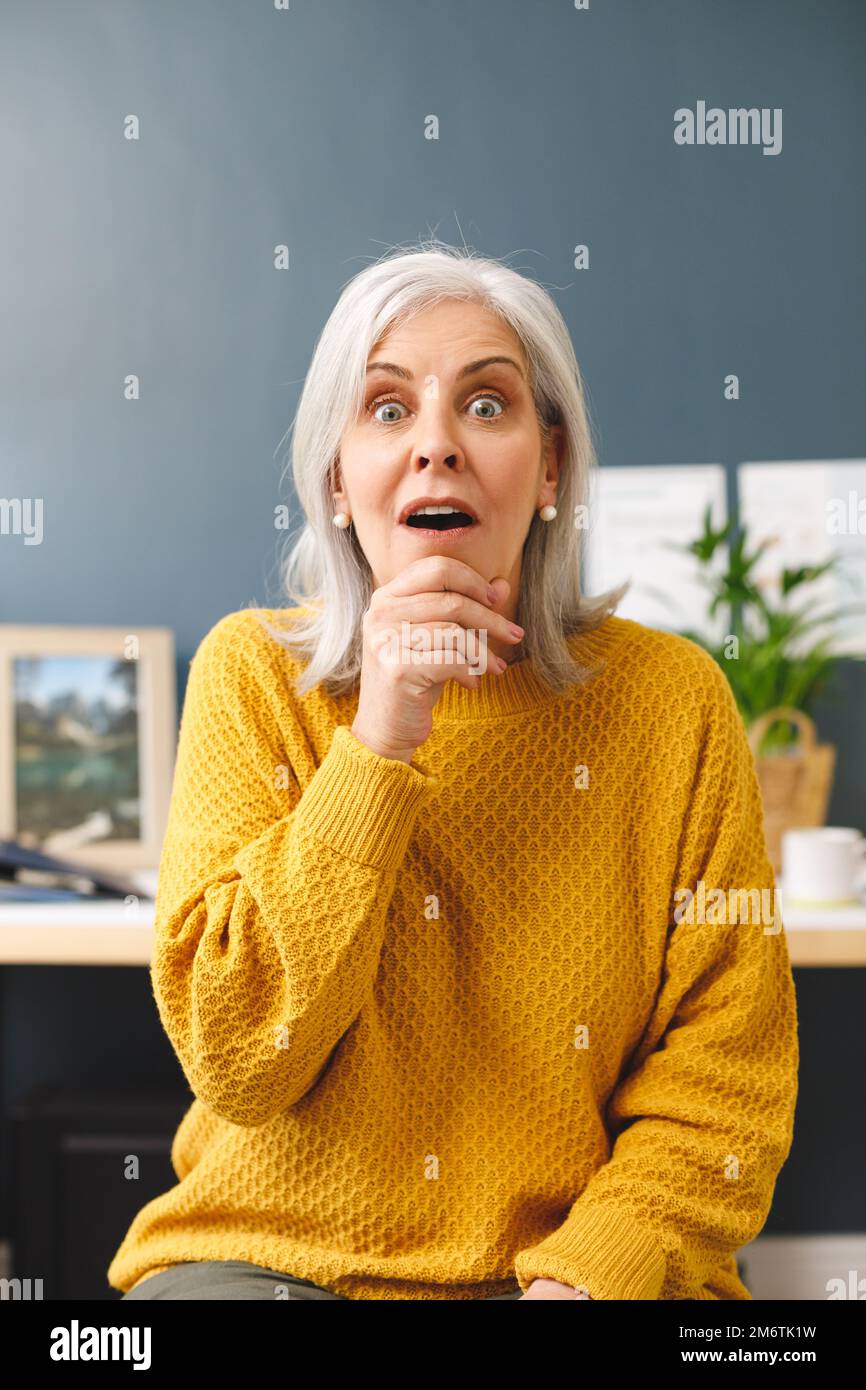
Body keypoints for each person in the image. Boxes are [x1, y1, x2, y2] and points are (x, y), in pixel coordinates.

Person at [109, 241, 798, 1301]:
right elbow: (238, 1057)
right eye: (386, 409)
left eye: (485, 404)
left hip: (567, 1272)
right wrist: (378, 739)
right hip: (275, 1265)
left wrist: (589, 1273)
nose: (435, 444)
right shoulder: (250, 674)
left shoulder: (673, 703)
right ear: (337, 479)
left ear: (551, 466)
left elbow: (726, 1081)